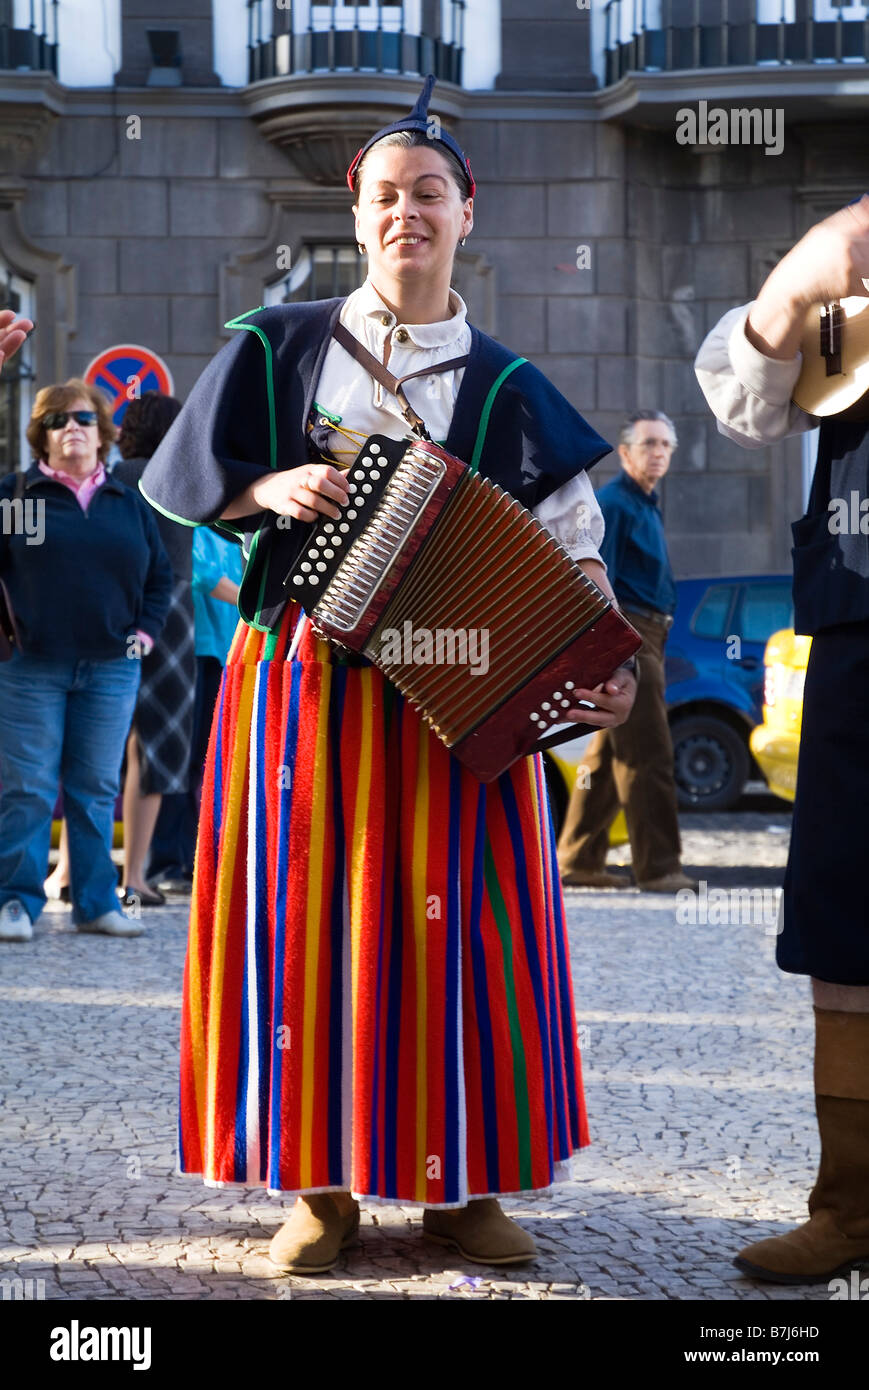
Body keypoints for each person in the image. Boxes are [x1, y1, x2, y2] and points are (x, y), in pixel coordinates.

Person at [140, 75, 638, 1274]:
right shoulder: (278, 345)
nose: (404, 210)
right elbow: (190, 479)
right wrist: (264, 490)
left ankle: (463, 1186)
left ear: (468, 212)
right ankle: (318, 1186)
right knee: (298, 924)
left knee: (468, 930)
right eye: (382, 195)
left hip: (462, 687)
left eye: (428, 192)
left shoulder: (510, 386)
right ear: (354, 217)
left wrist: (598, 651)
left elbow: (573, 537)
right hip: (300, 686)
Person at [695, 192, 869, 1283]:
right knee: (841, 933)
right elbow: (742, 407)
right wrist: (795, 281)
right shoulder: (849, 271)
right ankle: (849, 1209)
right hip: (856, 629)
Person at [0, 378, 172, 941]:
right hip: (31, 668)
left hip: (111, 668)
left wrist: (143, 636)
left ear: (102, 434)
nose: (70, 428)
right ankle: (16, 904)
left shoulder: (128, 501)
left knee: (96, 786)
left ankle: (97, 902)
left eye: (81, 418)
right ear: (41, 438)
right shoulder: (20, 497)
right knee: (27, 786)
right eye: (55, 421)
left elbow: (158, 578)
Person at [557, 411, 696, 894]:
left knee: (606, 757)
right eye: (649, 444)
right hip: (630, 634)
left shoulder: (647, 503)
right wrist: (612, 652)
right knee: (650, 752)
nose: (658, 452)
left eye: (665, 445)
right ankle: (659, 867)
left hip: (652, 633)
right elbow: (596, 577)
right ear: (626, 452)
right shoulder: (614, 503)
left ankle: (577, 859)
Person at [113, 392, 190, 907]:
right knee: (156, 741)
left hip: (115, 610)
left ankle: (76, 871)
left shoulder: (114, 479)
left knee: (102, 740)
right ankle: (134, 877)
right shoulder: (179, 479)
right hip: (172, 615)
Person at [146, 526, 243, 890]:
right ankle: (166, 863)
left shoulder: (233, 536)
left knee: (206, 762)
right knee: (180, 758)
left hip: (225, 657)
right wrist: (256, 603)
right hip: (190, 652)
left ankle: (191, 859)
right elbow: (200, 575)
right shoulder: (189, 526)